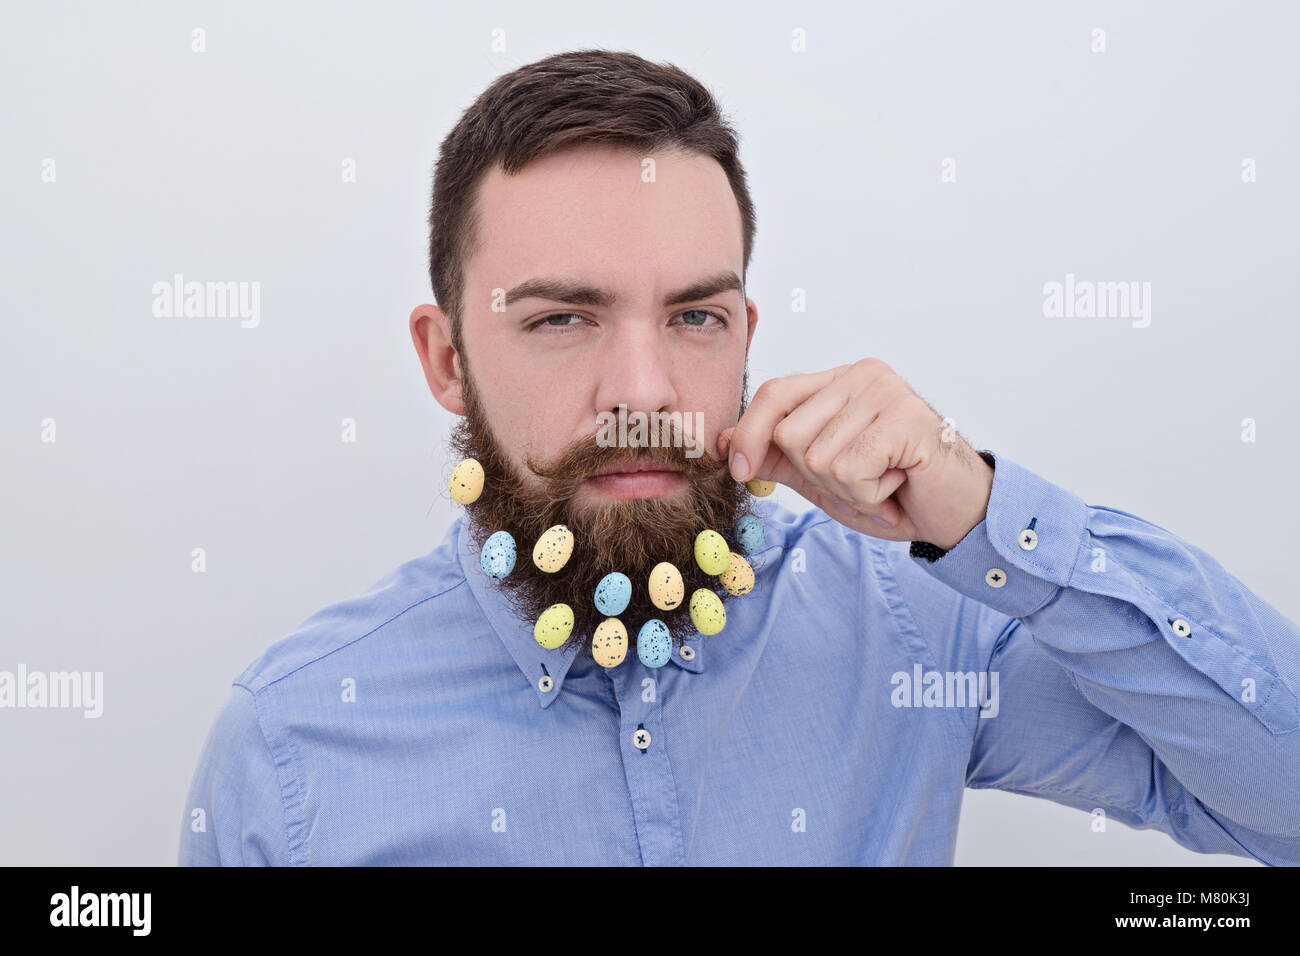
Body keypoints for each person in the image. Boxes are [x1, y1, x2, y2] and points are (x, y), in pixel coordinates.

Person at [180, 48, 1300, 866]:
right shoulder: (292, 746)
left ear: (747, 338)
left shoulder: (907, 621)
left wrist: (985, 513)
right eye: (562, 318)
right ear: (446, 359)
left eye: (695, 317)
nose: (645, 391)